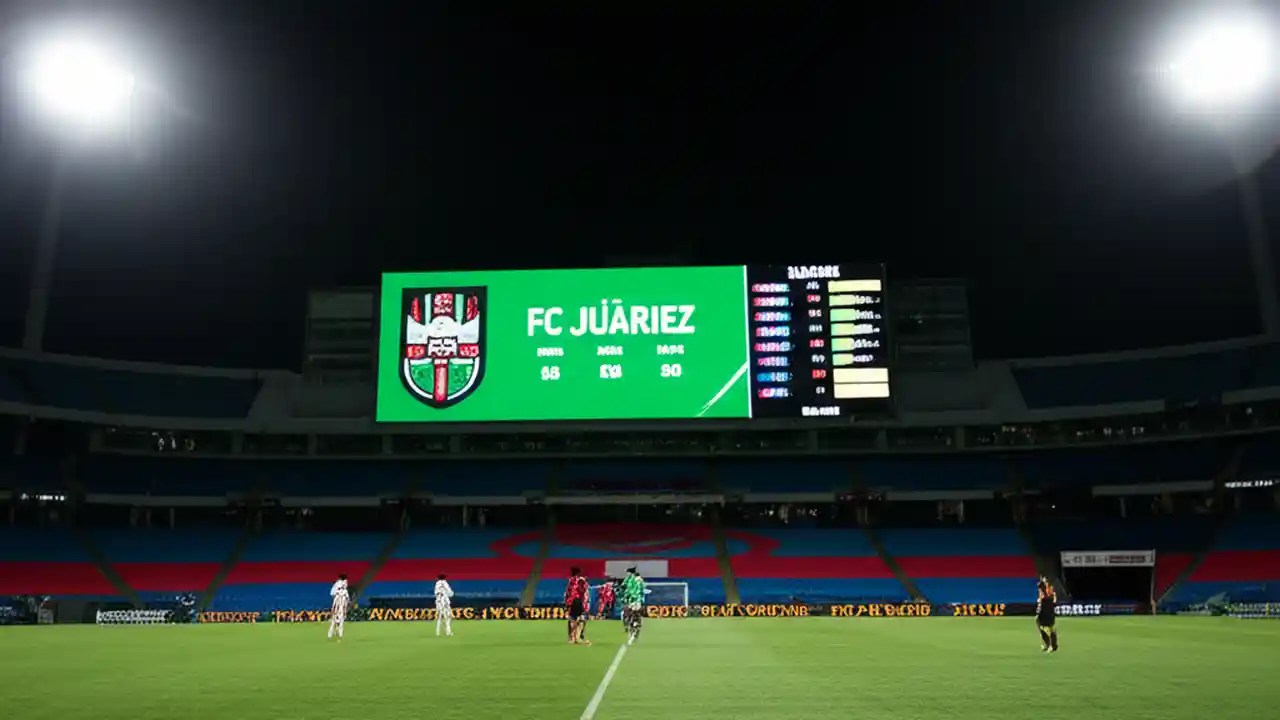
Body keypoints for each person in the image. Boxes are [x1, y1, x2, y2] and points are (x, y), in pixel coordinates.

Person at [564, 566, 591, 645]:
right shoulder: (581, 580)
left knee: (572, 619)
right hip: (577, 601)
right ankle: (579, 637)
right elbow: (584, 590)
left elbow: (567, 593)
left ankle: (571, 637)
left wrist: (566, 603)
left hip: (571, 602)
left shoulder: (570, 581)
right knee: (581, 619)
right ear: (578, 573)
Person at [621, 566, 646, 646]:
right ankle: (634, 630)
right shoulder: (633, 580)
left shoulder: (634, 580)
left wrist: (626, 596)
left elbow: (638, 590)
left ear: (630, 573)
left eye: (628, 573)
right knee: (630, 616)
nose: (627, 574)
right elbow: (625, 587)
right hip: (633, 601)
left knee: (633, 615)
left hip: (635, 600)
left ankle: (634, 631)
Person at [1036, 576, 1058, 653]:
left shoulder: (1047, 593)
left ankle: (1050, 646)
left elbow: (1052, 600)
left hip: (1046, 613)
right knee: (1048, 629)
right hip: (1047, 613)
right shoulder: (1045, 593)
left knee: (1046, 629)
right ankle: (1051, 645)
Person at [328, 573, 349, 641]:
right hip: (339, 604)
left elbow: (332, 593)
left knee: (337, 620)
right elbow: (333, 593)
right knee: (337, 620)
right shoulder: (338, 585)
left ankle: (333, 634)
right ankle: (335, 634)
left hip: (340, 605)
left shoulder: (343, 589)